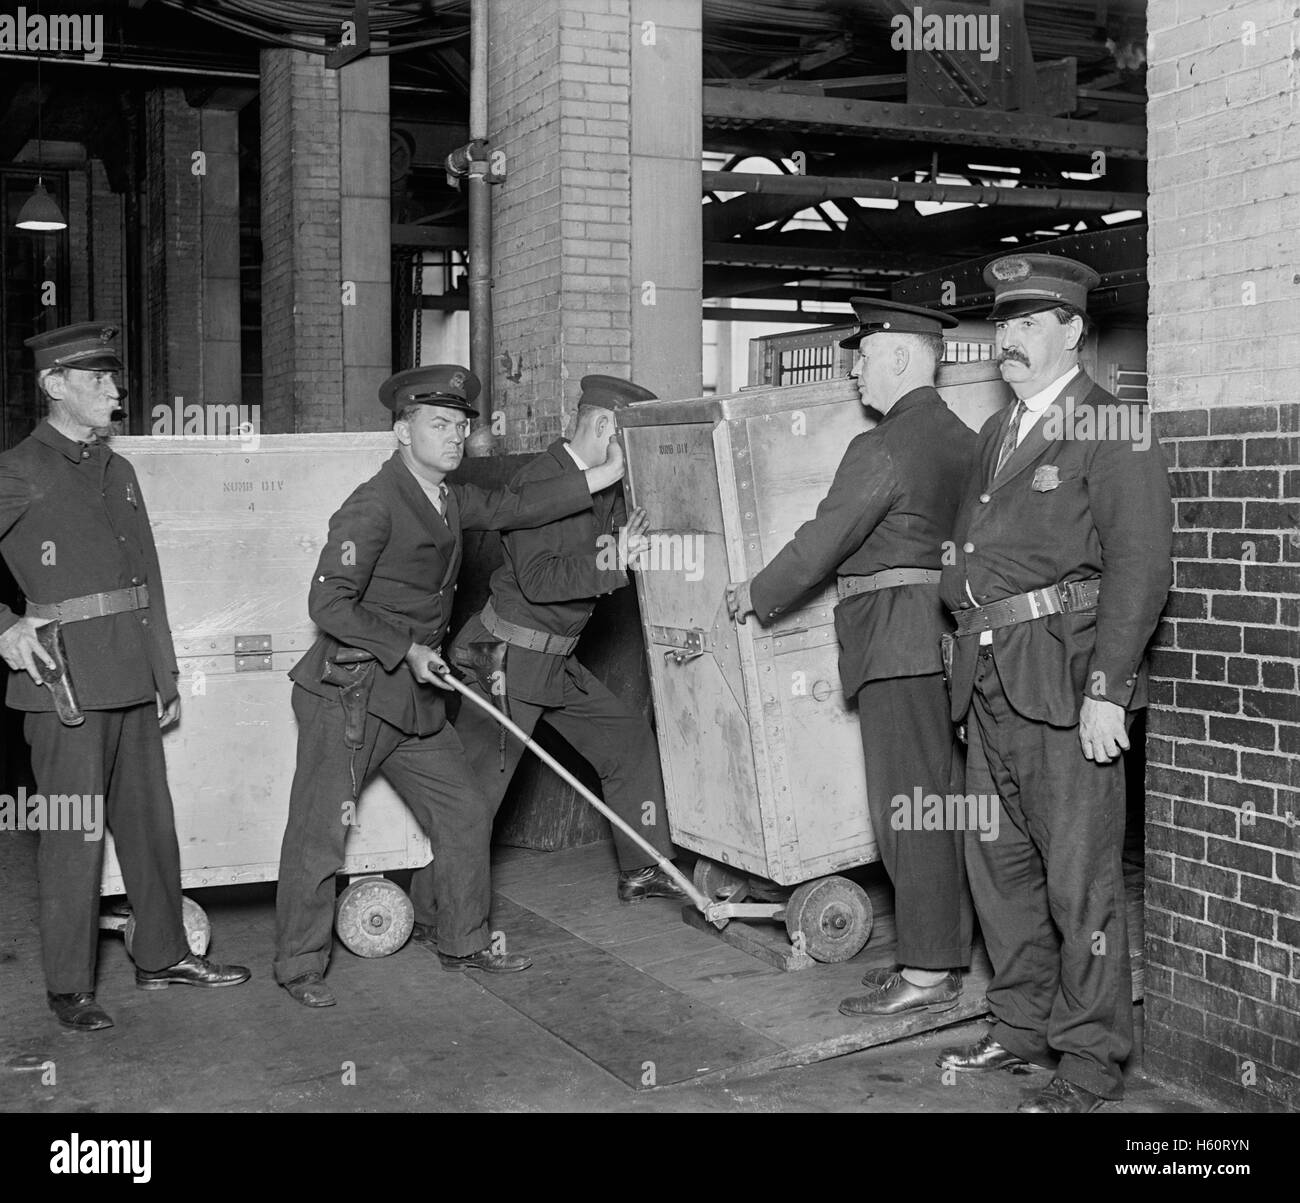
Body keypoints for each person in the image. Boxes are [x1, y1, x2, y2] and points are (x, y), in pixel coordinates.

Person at [274, 365, 628, 1007]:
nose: (456, 436)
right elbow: (328, 603)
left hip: (413, 699)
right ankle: (300, 965)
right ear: (401, 431)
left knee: (465, 812)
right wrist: (405, 648)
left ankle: (461, 941)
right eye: (439, 424)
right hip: (350, 695)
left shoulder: (450, 498)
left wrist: (604, 475)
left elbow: (520, 505)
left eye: (462, 425)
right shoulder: (374, 503)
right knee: (320, 830)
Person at [934, 255, 1172, 1113]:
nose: (1009, 340)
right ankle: (1021, 1022)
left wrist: (1109, 688)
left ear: (1073, 331)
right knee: (999, 868)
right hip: (989, 678)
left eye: (1029, 324)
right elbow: (974, 546)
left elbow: (1141, 566)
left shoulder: (1115, 427)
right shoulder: (999, 431)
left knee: (1081, 883)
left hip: (1067, 684)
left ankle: (1091, 1057)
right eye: (1003, 325)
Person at [726, 299, 976, 1016]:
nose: (854, 369)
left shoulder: (885, 446)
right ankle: (941, 954)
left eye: (863, 355)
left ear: (899, 355)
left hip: (896, 644)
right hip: (943, 643)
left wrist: (756, 592)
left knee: (906, 811)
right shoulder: (964, 437)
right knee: (940, 805)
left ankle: (927, 973)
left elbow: (824, 538)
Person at [0, 322, 250, 1032]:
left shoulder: (118, 469)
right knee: (73, 840)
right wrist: (6, 628)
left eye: (115, 378)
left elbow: (146, 580)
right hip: (65, 687)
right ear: (54, 386)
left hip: (132, 679)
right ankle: (69, 987)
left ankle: (163, 955)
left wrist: (164, 670)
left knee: (151, 828)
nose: (115, 390)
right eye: (98, 379)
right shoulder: (19, 468)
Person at [407, 374, 684, 934]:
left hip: (555, 660)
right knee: (476, 795)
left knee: (627, 741)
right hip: (507, 659)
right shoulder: (539, 483)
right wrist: (617, 561)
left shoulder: (603, 486)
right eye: (627, 437)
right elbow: (538, 580)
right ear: (605, 425)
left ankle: (643, 865)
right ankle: (431, 909)